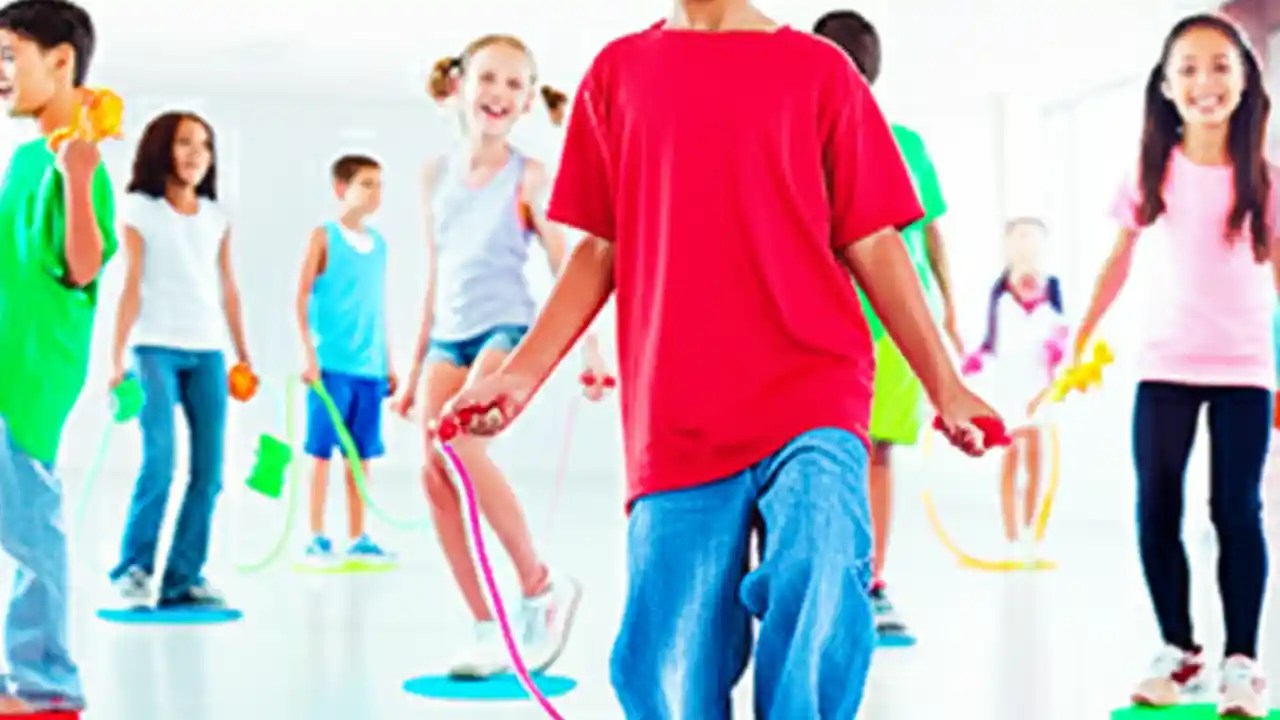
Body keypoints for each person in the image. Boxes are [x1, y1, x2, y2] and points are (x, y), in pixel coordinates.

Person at [438, 1, 1002, 716]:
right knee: (666, 661)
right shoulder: (619, 75)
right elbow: (600, 249)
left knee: (822, 558)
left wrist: (945, 385)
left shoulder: (821, 73)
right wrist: (521, 372)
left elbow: (875, 240)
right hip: (676, 413)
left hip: (812, 387)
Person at [1073, 14, 1275, 718]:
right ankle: (1178, 648)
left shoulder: (1265, 180)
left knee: (1236, 510)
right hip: (1165, 365)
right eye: (1187, 68)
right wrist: (1082, 336)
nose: (1204, 81)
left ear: (1246, 81)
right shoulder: (1149, 169)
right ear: (1165, 86)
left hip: (1245, 370)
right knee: (1156, 503)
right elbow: (1119, 256)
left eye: (1220, 66)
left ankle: (1243, 662)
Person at [398, 35, 611, 679]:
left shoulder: (531, 176)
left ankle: (541, 588)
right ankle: (486, 623)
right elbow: (436, 275)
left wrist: (590, 349)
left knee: (460, 444)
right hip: (448, 335)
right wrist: (414, 372)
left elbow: (566, 261)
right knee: (432, 474)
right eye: (489, 78)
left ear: (526, 104)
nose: (499, 93)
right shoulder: (433, 176)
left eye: (515, 85)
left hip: (505, 328)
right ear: (458, 84)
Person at [813, 9, 963, 640]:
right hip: (824, 325)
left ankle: (870, 582)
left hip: (894, 328)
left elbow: (929, 233)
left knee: (875, 454)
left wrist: (949, 309)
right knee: (830, 456)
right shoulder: (801, 141)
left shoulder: (906, 144)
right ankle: (831, 580)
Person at [0, 0, 115, 711]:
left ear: (61, 61)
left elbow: (83, 264)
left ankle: (45, 681)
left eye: (10, 57)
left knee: (30, 528)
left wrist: (77, 174)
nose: (1, 74)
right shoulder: (21, 160)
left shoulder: (77, 163)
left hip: (29, 378)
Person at [106, 111, 250, 610]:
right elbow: (130, 283)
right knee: (159, 461)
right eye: (185, 143)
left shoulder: (216, 217)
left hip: (208, 350)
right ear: (161, 147)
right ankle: (133, 569)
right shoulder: (139, 210)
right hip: (153, 349)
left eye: (204, 145)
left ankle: (183, 577)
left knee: (209, 472)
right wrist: (114, 358)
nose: (195, 154)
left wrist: (243, 356)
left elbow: (228, 288)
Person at [296, 154, 396, 566]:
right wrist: (308, 355)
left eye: (379, 184)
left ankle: (359, 535)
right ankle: (316, 535)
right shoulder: (324, 237)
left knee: (361, 457)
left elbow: (378, 307)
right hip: (330, 368)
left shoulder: (380, 247)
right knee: (321, 454)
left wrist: (389, 362)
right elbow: (300, 297)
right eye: (366, 183)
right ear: (341, 188)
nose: (376, 192)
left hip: (369, 370)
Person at [963, 218, 1066, 549]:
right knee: (1009, 456)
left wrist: (1060, 353)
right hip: (1008, 383)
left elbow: (1064, 332)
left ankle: (1031, 532)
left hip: (1040, 385)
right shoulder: (998, 291)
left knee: (1037, 458)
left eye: (1031, 237)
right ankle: (1010, 533)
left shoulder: (1054, 288)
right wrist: (976, 358)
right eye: (1018, 237)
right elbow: (991, 337)